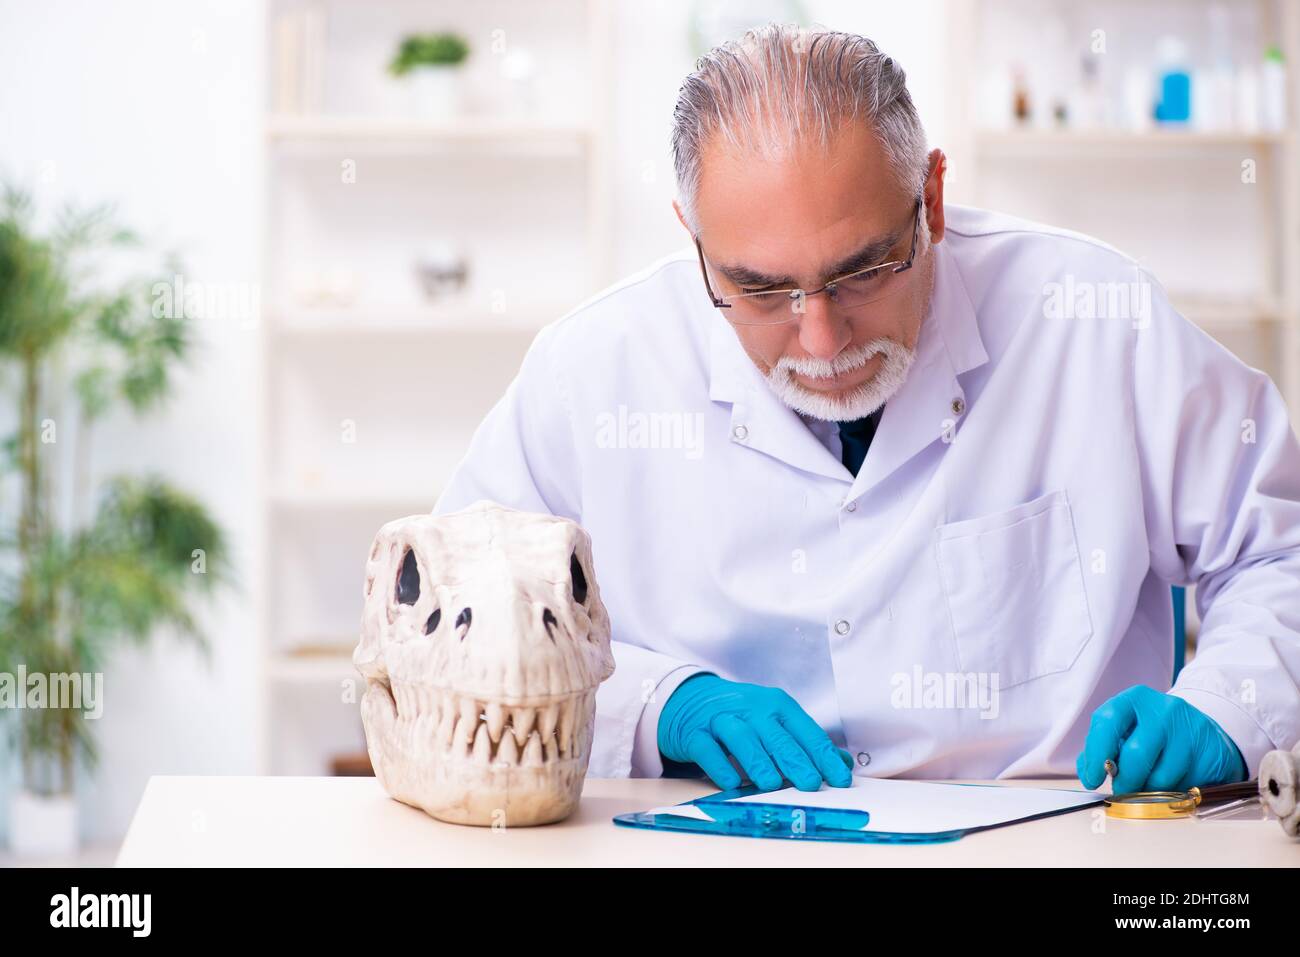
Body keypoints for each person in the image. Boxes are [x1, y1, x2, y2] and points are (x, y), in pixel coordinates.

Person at [435, 24, 1300, 796]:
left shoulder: (1096, 319)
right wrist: (659, 703)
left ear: (930, 199)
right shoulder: (591, 369)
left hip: (1048, 840)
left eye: (860, 272)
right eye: (760, 288)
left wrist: (1226, 709)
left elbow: (1281, 547)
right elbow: (445, 618)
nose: (820, 339)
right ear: (695, 240)